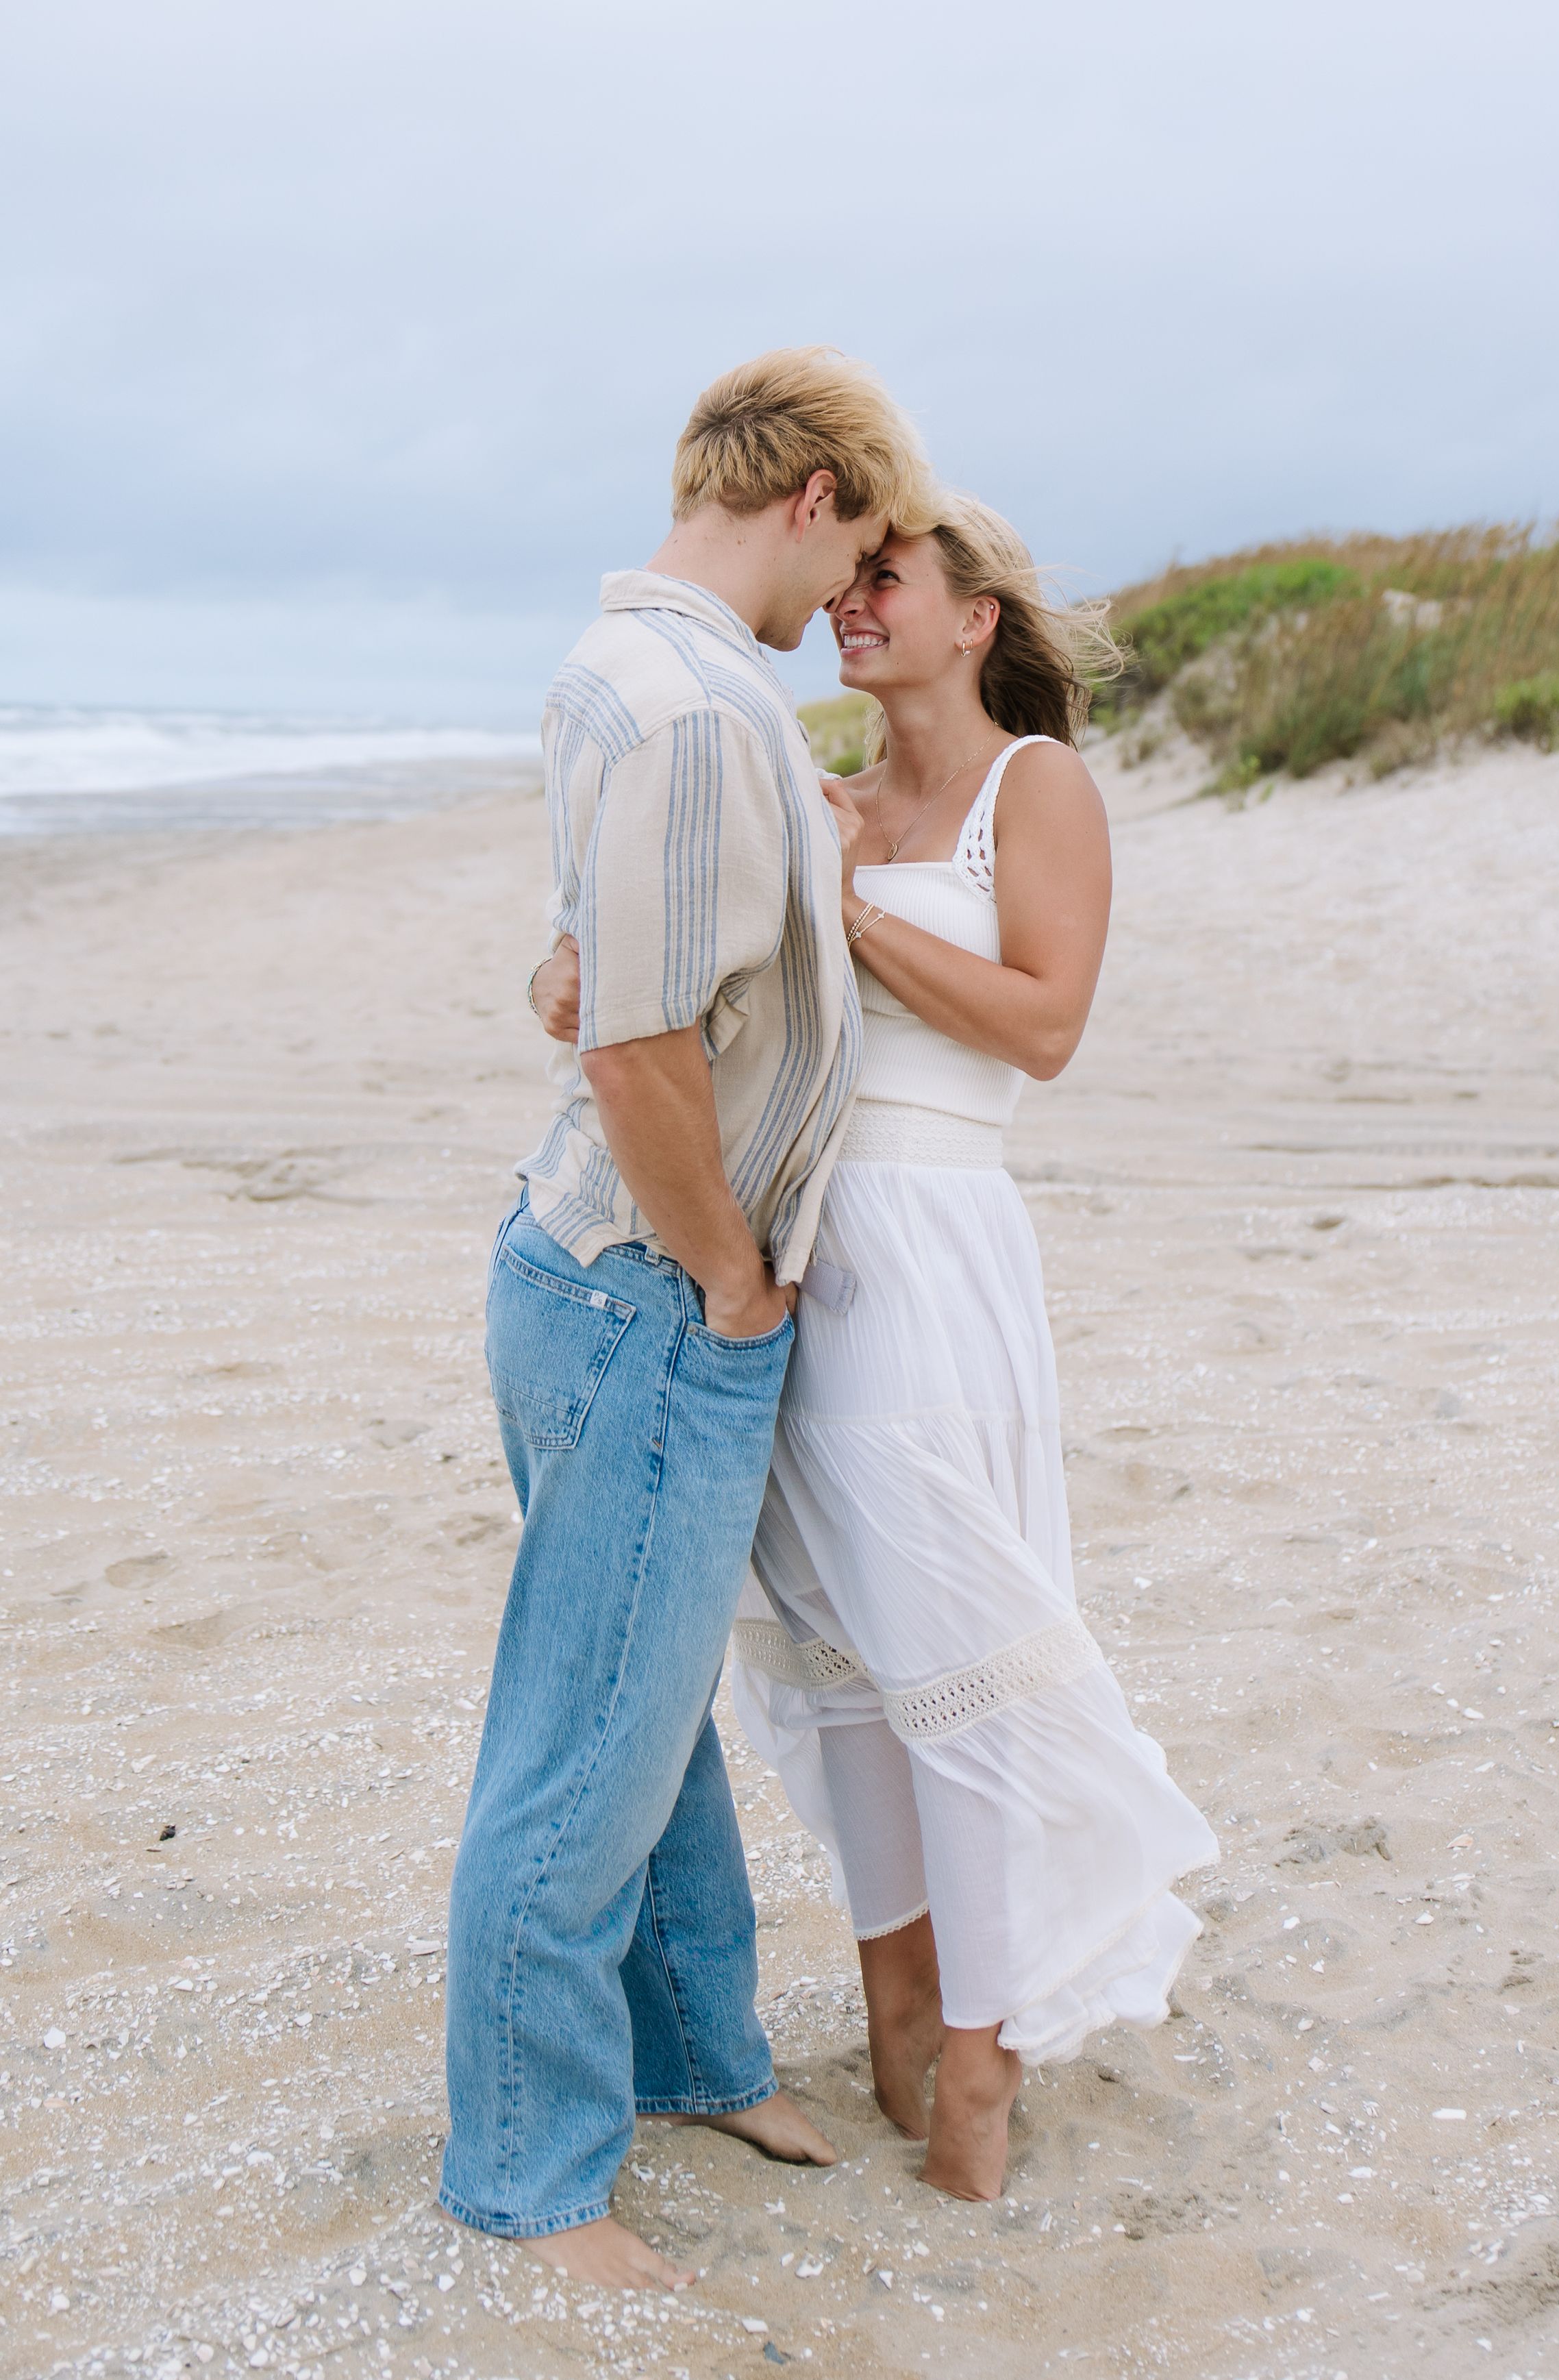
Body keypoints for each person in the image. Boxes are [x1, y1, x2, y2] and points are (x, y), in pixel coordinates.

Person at [534, 494, 1219, 2207]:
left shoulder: (1031, 787)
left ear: (974, 616)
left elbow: (1045, 1026)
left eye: (885, 580)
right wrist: (577, 968)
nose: (850, 603)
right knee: (842, 1664)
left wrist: (850, 911)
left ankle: (980, 2058)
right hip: (801, 1232)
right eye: (846, 579)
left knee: (955, 1656)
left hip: (931, 1240)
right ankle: (896, 2010)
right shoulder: (816, 784)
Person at [438, 347, 934, 2294]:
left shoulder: (625, 669)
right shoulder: (697, 709)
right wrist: (728, 1275)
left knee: (647, 1710)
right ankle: (531, 2174)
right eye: (860, 544)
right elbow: (638, 1048)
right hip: (646, 1288)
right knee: (586, 1745)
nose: (855, 591)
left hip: (595, 1268)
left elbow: (593, 965)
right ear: (808, 492)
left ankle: (690, 2056)